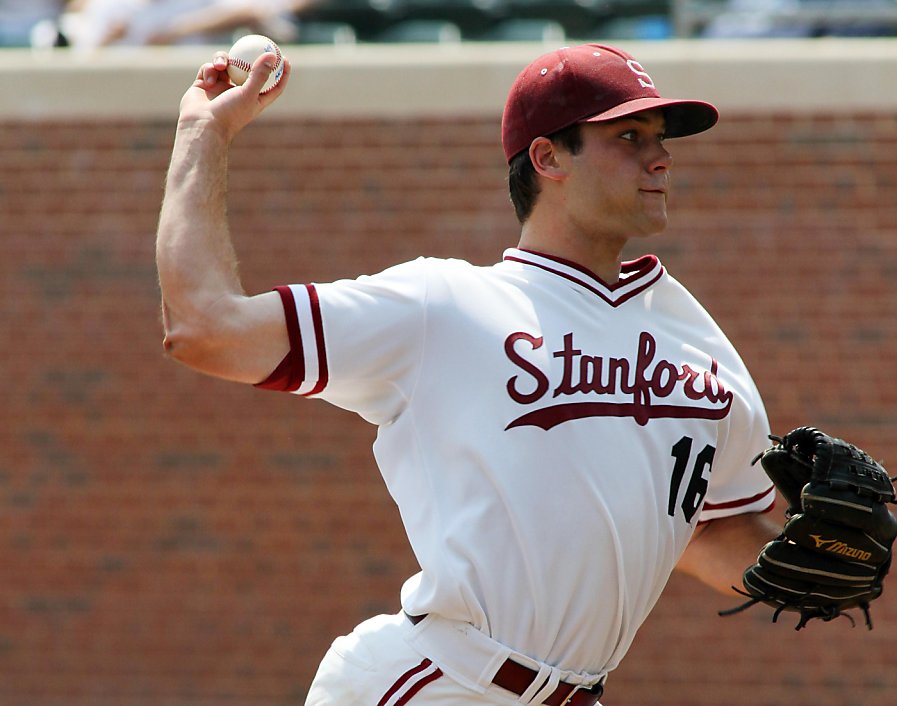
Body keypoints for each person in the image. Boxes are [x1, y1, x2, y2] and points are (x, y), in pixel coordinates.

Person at [155, 43, 782, 705]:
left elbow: (709, 531)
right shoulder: (443, 306)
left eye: (660, 138)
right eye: (629, 136)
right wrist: (203, 132)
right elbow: (205, 328)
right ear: (547, 158)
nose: (660, 157)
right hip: (441, 683)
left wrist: (829, 559)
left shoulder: (693, 341)